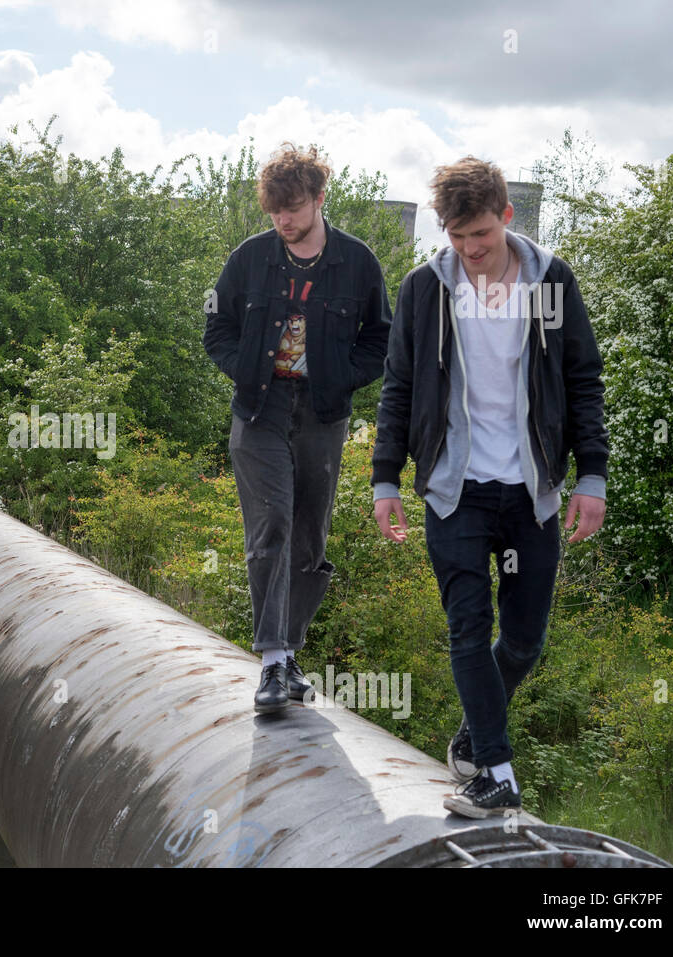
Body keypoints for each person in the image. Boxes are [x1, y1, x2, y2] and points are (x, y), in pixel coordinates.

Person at [370, 156, 608, 817]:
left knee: (525, 637)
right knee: (467, 627)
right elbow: (400, 386)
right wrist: (384, 477)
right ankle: (497, 773)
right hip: (455, 486)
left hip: (532, 488)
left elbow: (583, 379)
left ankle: (476, 735)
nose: (471, 250)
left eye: (481, 234)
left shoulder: (551, 282)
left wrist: (592, 472)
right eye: (457, 236)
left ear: (506, 217)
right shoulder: (425, 289)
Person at [203, 143, 391, 714]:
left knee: (311, 532)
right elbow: (217, 326)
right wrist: (248, 369)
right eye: (274, 210)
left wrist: (339, 381)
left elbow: (380, 337)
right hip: (259, 410)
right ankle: (270, 663)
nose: (283, 220)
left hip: (322, 414)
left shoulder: (356, 262)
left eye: (293, 208)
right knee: (273, 520)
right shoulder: (250, 258)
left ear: (317, 198)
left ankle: (288, 655)